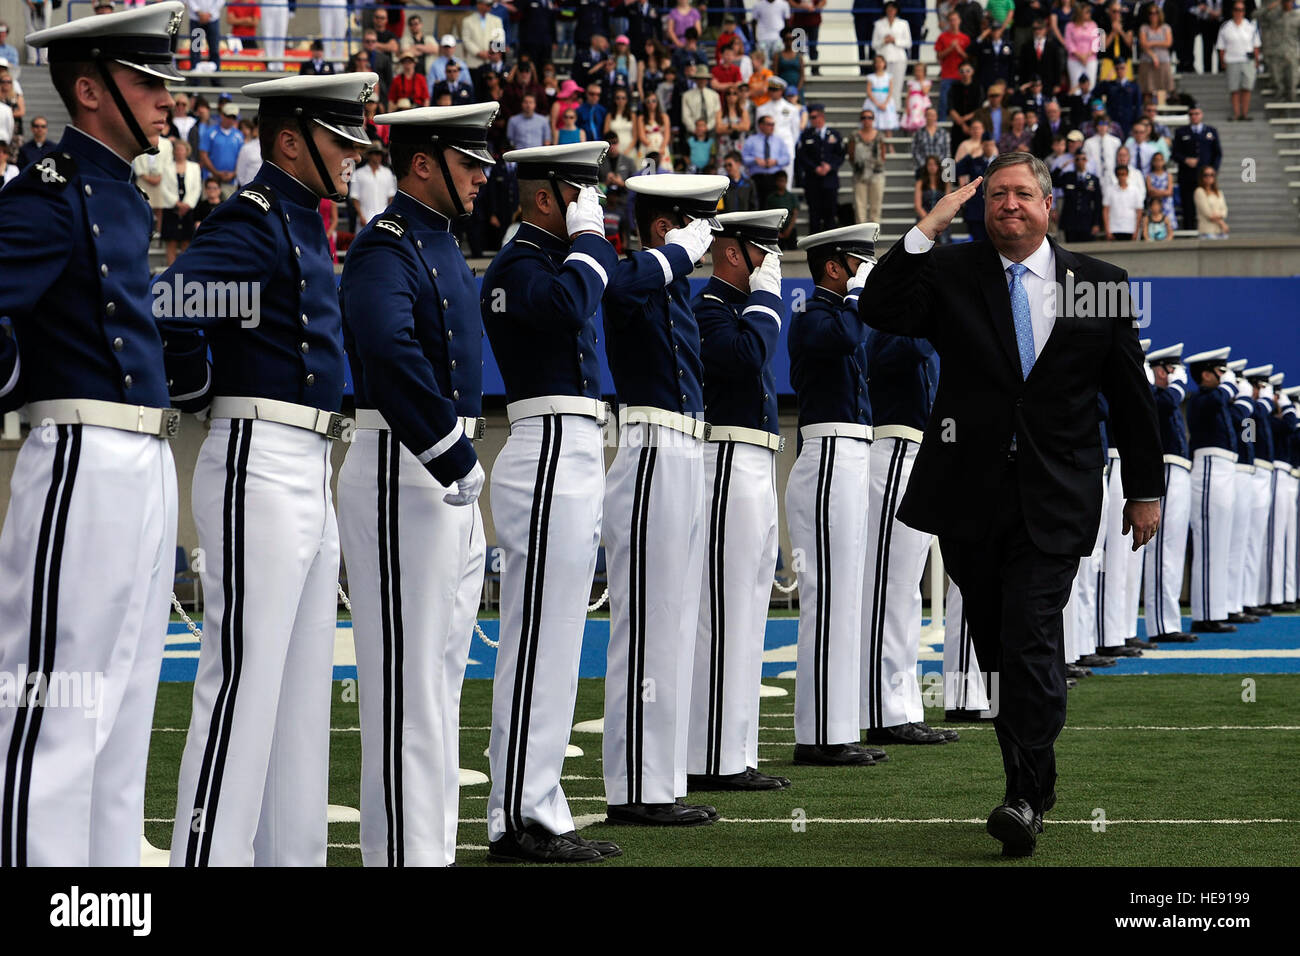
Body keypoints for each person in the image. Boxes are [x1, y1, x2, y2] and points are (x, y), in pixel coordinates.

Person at [860, 152, 1163, 857]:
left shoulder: (1098, 284)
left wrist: (1145, 491)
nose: (1009, 205)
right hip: (970, 497)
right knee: (999, 650)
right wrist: (926, 228)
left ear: (1048, 205)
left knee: (1027, 633)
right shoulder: (952, 273)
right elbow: (879, 306)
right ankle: (1030, 785)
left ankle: (1023, 798)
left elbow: (1130, 396)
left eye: (1022, 193)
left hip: (1058, 495)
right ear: (981, 207)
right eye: (996, 195)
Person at [164, 71, 375, 868]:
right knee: (244, 688)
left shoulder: (298, 218)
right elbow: (172, 300)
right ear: (291, 142)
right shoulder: (253, 219)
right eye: (341, 141)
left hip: (304, 461)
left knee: (297, 700)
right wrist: (196, 384)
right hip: (259, 456)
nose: (355, 156)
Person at [0, 1, 186, 868]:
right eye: (148, 81)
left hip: (140, 460)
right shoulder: (47, 190)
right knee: (57, 699)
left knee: (126, 702)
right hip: (78, 455)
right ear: (89, 87)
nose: (165, 100)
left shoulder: (119, 192)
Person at [336, 103, 496, 868]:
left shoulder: (437, 242)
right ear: (424, 162)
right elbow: (388, 349)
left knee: (439, 683)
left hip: (440, 469)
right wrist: (449, 451)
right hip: (406, 466)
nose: (482, 179)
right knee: (407, 689)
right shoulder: (385, 246)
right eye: (470, 164)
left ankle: (427, 851)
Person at [600, 172, 729, 828]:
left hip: (684, 451)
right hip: (649, 449)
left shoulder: (674, 284)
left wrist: (677, 258)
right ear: (663, 226)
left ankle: (659, 778)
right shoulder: (637, 272)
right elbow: (620, 289)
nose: (705, 242)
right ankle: (634, 787)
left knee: (673, 623)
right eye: (694, 225)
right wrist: (677, 250)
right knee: (647, 626)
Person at [685, 209, 791, 794]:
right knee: (724, 611)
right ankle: (710, 754)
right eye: (762, 253)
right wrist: (769, 296)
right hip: (724, 458)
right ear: (734, 253)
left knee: (748, 609)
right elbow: (750, 356)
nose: (770, 263)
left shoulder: (738, 310)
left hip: (752, 459)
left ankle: (734, 750)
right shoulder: (710, 310)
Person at [787, 223, 883, 767]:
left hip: (848, 452)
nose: (861, 271)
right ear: (833, 267)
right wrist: (861, 293)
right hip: (826, 455)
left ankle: (837, 725)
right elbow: (848, 339)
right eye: (856, 262)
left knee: (846, 595)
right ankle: (819, 734)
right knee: (828, 597)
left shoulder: (841, 313)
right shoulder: (816, 317)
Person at [860, 301, 957, 747]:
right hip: (892, 452)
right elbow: (915, 345)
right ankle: (884, 710)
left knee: (905, 591)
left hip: (916, 454)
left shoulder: (907, 336)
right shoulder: (886, 334)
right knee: (889, 591)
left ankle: (900, 706)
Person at [1184, 347, 1247, 633]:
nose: (1225, 378)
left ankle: (1218, 609)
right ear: (1206, 375)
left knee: (1221, 545)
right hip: (1209, 468)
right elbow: (1223, 397)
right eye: (1220, 372)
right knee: (1210, 544)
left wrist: (1240, 394)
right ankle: (1205, 613)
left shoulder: (1219, 400)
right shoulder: (1202, 399)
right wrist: (1233, 385)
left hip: (1225, 468)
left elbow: (1244, 422)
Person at [797, 103, 844, 234]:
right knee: (814, 214)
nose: (812, 120)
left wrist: (830, 166)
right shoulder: (806, 135)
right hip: (813, 180)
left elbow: (840, 155)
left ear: (821, 116)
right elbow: (802, 156)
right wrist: (814, 168)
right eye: (810, 117)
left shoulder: (833, 134)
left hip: (830, 179)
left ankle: (831, 245)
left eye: (814, 117)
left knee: (830, 213)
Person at [1171, 105, 1219, 230]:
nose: (1194, 116)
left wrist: (1212, 170)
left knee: (1207, 204)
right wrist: (1186, 160)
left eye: (1196, 113)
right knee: (1188, 206)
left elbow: (1217, 153)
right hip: (1187, 176)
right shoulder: (1181, 132)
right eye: (1191, 114)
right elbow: (1174, 153)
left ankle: (1208, 229)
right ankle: (1189, 231)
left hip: (1205, 177)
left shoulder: (1211, 131)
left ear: (1201, 114)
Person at [1217, 2, 1261, 119]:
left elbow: (1256, 45)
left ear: (1244, 12)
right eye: (1237, 9)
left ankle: (1245, 114)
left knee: (1247, 88)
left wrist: (1257, 61)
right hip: (1232, 60)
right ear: (1233, 11)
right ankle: (1236, 114)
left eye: (1241, 10)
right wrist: (1222, 62)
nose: (1239, 12)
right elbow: (1221, 47)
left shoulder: (1250, 26)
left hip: (1247, 60)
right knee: (1234, 88)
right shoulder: (1226, 27)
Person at [163, 137, 202, 264]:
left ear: (187, 151)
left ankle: (184, 271)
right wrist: (176, 203)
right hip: (171, 208)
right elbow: (163, 187)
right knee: (171, 241)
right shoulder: (167, 167)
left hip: (188, 209)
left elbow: (197, 187)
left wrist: (187, 204)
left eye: (182, 150)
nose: (179, 152)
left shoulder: (194, 167)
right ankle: (170, 271)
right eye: (177, 150)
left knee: (186, 240)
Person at [956, 132, 998, 239]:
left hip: (995, 210)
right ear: (982, 145)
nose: (989, 148)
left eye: (991, 145)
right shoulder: (973, 162)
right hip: (976, 211)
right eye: (986, 145)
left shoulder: (1000, 163)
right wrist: (969, 156)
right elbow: (952, 172)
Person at [849, 109, 888, 224]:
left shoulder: (879, 135)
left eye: (869, 117)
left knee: (876, 206)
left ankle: (874, 235)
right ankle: (861, 234)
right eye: (864, 118)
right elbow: (851, 154)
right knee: (860, 206)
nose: (867, 120)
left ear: (873, 119)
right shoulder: (854, 135)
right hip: (859, 174)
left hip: (877, 174)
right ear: (861, 120)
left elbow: (883, 155)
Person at [742, 113, 791, 204]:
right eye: (769, 124)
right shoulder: (751, 140)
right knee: (758, 204)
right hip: (757, 178)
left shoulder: (779, 140)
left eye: (773, 124)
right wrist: (755, 160)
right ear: (761, 125)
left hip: (774, 178)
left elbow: (787, 158)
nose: (772, 127)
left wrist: (776, 161)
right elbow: (744, 158)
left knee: (774, 205)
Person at [872, 2, 912, 108]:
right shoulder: (879, 24)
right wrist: (884, 41)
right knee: (883, 86)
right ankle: (882, 108)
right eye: (889, 9)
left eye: (893, 9)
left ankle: (896, 111)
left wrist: (895, 40)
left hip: (899, 58)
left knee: (896, 87)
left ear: (896, 11)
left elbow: (908, 43)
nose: (891, 11)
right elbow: (874, 44)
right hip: (883, 59)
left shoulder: (903, 23)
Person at [936, 10, 973, 119]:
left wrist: (959, 49)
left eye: (955, 20)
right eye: (951, 20)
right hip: (947, 75)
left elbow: (969, 59)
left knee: (963, 103)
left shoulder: (965, 38)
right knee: (944, 102)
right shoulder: (942, 37)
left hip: (962, 76)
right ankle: (942, 124)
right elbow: (939, 56)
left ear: (959, 21)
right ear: (948, 22)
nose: (953, 22)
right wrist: (950, 49)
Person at [351, 141, 397, 227]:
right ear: (369, 155)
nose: (378, 156)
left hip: (383, 219)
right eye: (375, 153)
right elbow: (355, 198)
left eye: (380, 153)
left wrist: (387, 215)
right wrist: (361, 216)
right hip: (365, 219)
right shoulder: (358, 173)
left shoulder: (387, 173)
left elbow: (391, 197)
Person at [1138, 5, 1175, 101]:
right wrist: (1153, 56)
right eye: (1151, 13)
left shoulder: (1166, 27)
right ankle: (1148, 111)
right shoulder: (1144, 28)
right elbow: (1143, 44)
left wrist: (1152, 43)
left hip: (1163, 61)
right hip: (1147, 61)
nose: (1153, 15)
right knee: (1147, 89)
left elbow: (1168, 43)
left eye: (1156, 13)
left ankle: (1161, 111)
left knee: (1163, 89)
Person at [914, 154, 951, 243]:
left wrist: (938, 222)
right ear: (926, 167)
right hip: (924, 218)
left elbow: (948, 204)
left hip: (941, 219)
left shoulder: (945, 183)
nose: (932, 167)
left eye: (934, 164)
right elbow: (918, 206)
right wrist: (929, 221)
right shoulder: (920, 183)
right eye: (930, 164)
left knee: (943, 244)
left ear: (938, 166)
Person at [1103, 161, 1144, 237]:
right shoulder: (1110, 190)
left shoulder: (1135, 190)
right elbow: (1106, 210)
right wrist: (1107, 230)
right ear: (1116, 176)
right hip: (1114, 228)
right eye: (1119, 174)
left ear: (1127, 175)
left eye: (1123, 174)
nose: (1121, 177)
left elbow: (1139, 211)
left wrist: (1136, 231)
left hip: (1130, 228)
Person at [1065, 3, 1101, 89]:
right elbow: (1068, 42)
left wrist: (1087, 55)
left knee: (1091, 85)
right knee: (1075, 85)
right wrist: (1079, 56)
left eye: (1089, 12)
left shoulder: (1093, 25)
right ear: (1080, 13)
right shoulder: (1070, 26)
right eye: (1087, 12)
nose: (1089, 14)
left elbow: (1096, 43)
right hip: (1075, 59)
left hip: (1090, 59)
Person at [763, 169, 799, 247]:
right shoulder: (771, 198)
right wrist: (776, 231)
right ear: (776, 182)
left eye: (783, 181)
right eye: (779, 181)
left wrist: (789, 229)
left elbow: (795, 213)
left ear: (786, 182)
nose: (781, 183)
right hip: (775, 230)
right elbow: (768, 215)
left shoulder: (792, 196)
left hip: (789, 229)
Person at [864, 54, 899, 131]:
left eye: (881, 62)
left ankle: (889, 143)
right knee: (874, 123)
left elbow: (890, 90)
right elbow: (869, 91)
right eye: (877, 62)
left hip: (886, 102)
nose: (879, 64)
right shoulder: (871, 77)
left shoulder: (889, 76)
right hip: (874, 102)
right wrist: (877, 104)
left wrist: (885, 103)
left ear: (884, 63)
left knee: (887, 124)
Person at [1193, 164, 1228, 236]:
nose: (1209, 177)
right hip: (1207, 231)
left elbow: (1225, 211)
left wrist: (1219, 216)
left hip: (1220, 231)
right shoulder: (1199, 191)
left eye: (1212, 175)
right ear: (1201, 177)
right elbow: (1208, 214)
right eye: (1206, 175)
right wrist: (1222, 223)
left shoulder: (1218, 192)